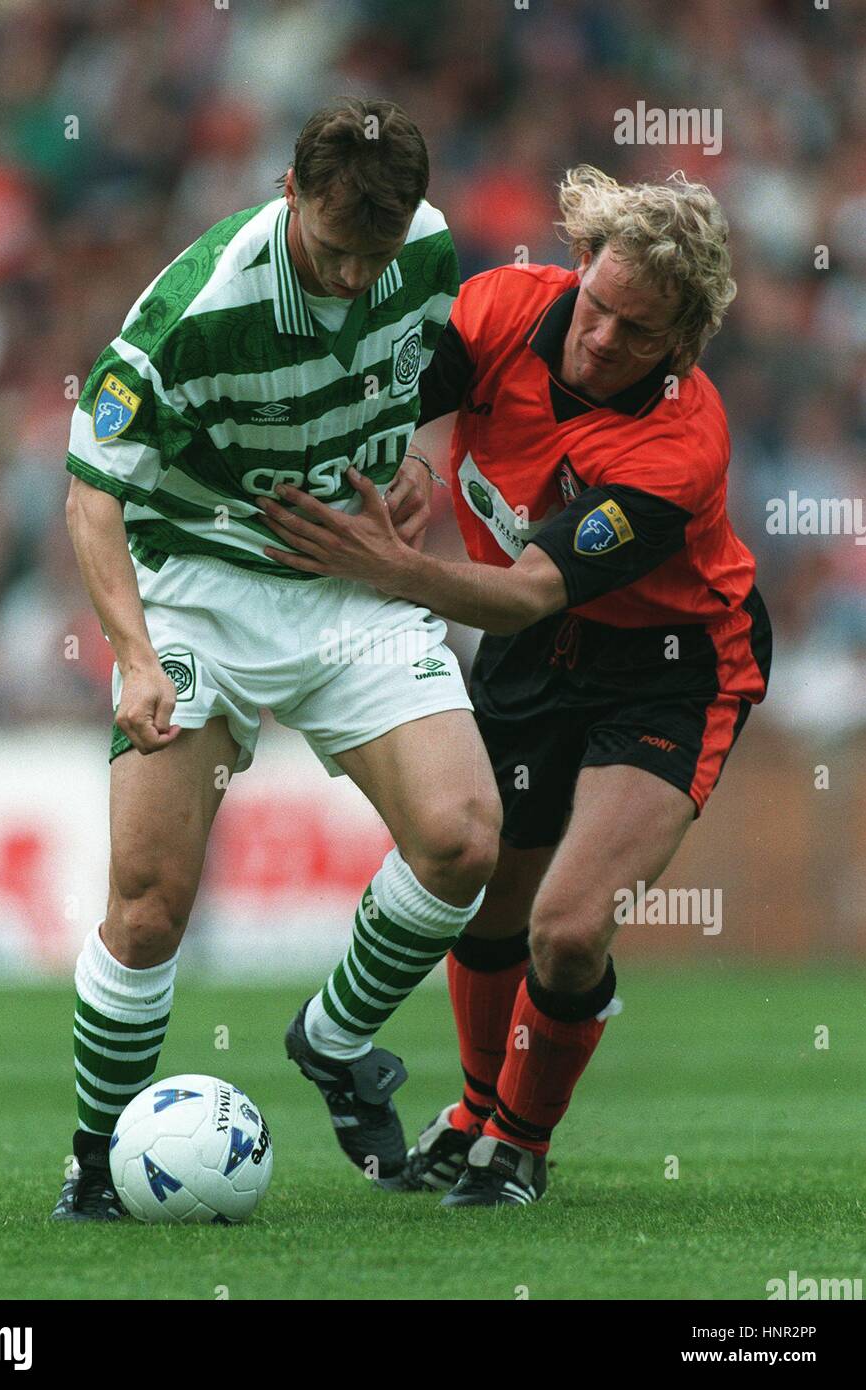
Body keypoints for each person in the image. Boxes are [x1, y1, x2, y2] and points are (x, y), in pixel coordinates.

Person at [261, 165, 773, 1208]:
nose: (602, 338)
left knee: (568, 926)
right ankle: (474, 1107)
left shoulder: (677, 446)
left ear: (680, 343)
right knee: (488, 894)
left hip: (668, 665)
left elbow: (530, 588)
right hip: (539, 651)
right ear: (581, 267)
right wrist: (401, 458)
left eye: (636, 333)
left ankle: (519, 1145)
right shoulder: (502, 304)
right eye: (599, 306)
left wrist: (390, 566)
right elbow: (390, 402)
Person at [52, 98, 502, 1220]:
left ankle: (333, 1038)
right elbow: (91, 492)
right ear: (287, 193)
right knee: (149, 906)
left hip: (351, 579)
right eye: (335, 249)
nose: (356, 276)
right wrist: (137, 656)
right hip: (200, 589)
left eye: (376, 254)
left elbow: (417, 384)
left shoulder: (429, 248)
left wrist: (415, 465)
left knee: (462, 839)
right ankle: (95, 1160)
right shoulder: (197, 307)